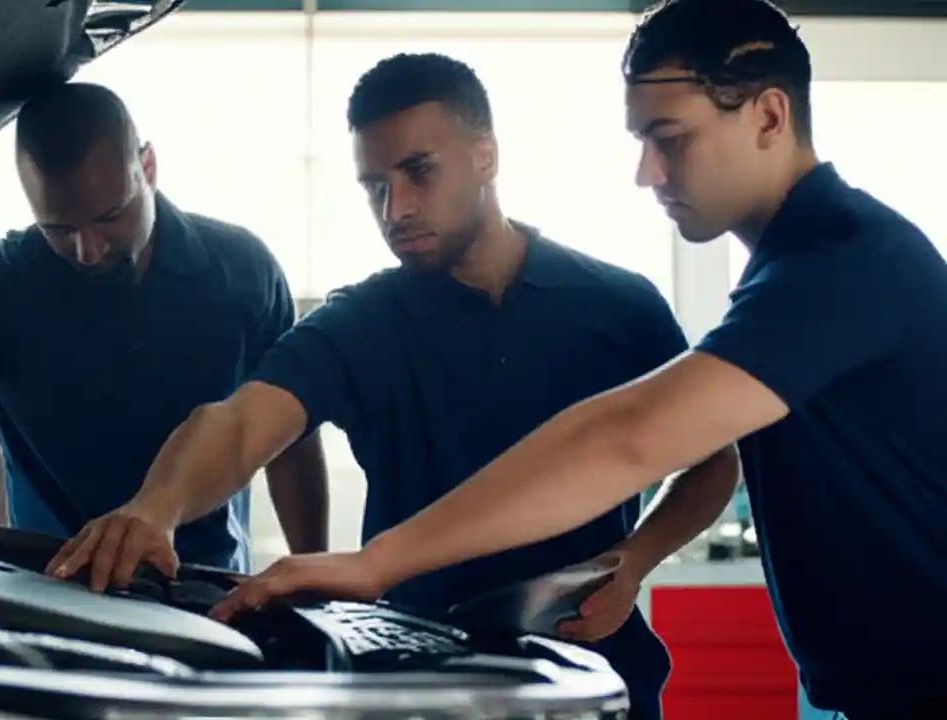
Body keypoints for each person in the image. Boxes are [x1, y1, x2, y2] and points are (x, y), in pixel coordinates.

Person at [201, 2, 947, 719]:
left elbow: (632, 435)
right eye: (641, 144)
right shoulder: (787, 270)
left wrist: (378, 563)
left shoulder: (842, 260)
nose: (647, 174)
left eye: (671, 139)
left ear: (769, 116)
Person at [46, 54, 741, 719]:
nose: (395, 208)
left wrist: (634, 559)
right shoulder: (365, 322)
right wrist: (156, 505)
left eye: (418, 172)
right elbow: (240, 422)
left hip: (593, 675)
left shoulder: (619, 307)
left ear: (485, 156)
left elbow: (713, 461)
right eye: (374, 186)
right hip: (414, 688)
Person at [0, 81, 328, 575]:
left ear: (147, 167)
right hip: (49, 595)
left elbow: (294, 437)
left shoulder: (244, 271)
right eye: (58, 228)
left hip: (205, 592)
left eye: (109, 217)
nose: (88, 250)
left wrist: (313, 581)